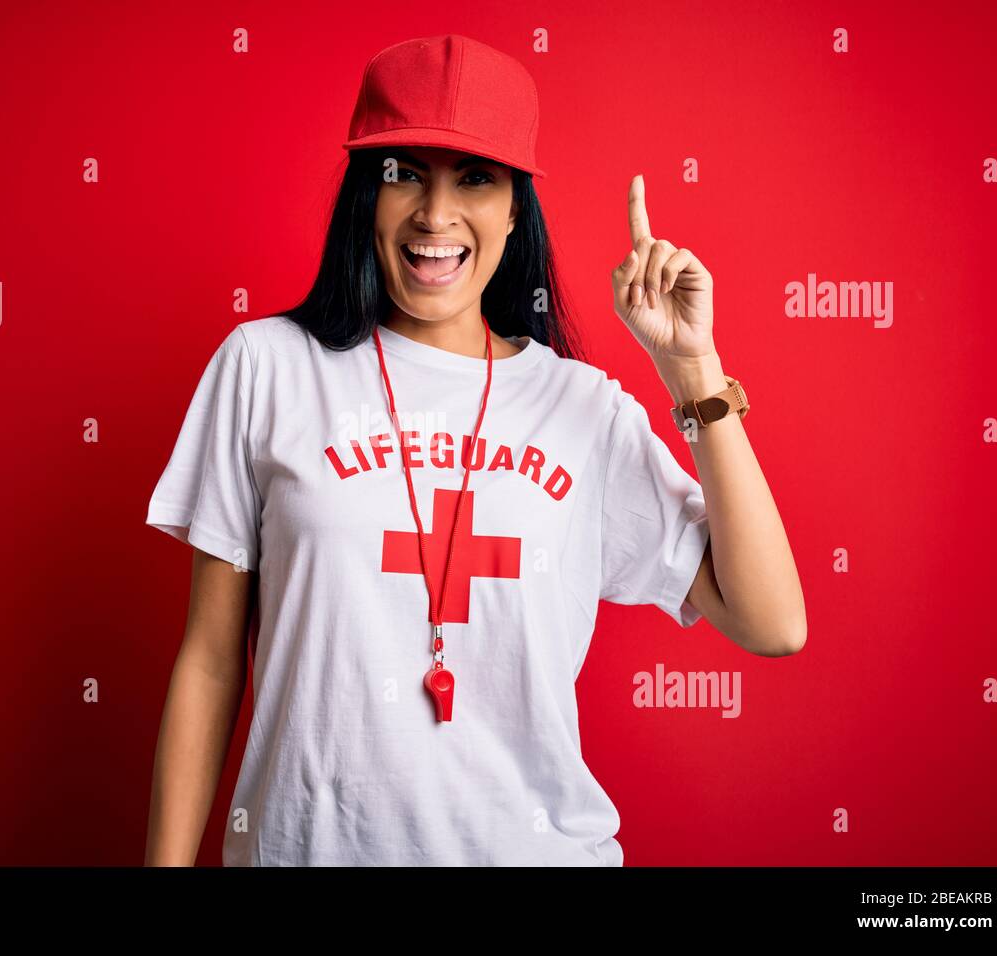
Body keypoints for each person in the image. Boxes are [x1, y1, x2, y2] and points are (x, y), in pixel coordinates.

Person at [143, 34, 805, 867]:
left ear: (516, 208)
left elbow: (773, 621)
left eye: (476, 180)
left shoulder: (579, 408)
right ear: (365, 194)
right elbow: (210, 659)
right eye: (405, 172)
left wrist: (692, 369)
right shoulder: (265, 367)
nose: (435, 214)